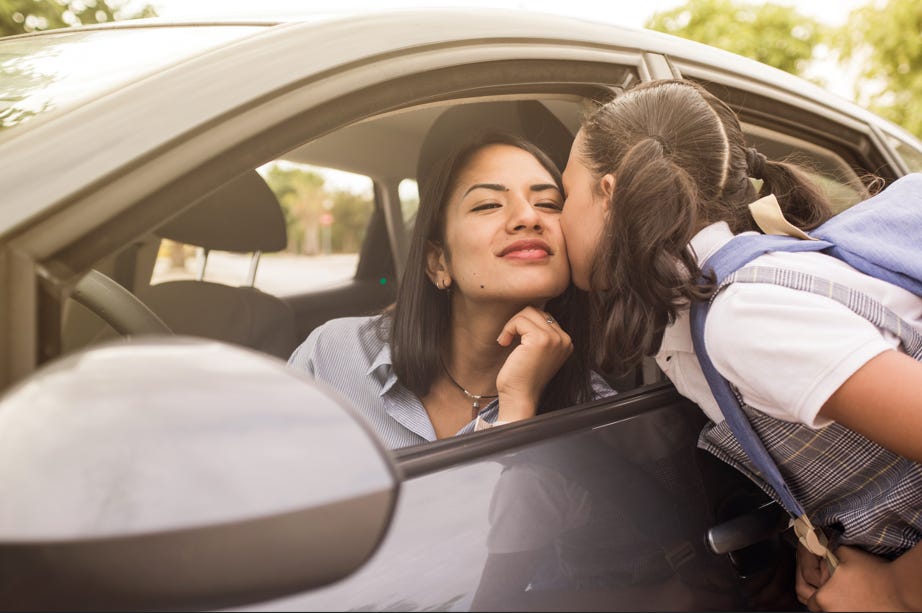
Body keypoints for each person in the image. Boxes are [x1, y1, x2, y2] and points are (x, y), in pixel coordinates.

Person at [557, 78, 922, 611]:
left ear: (609, 196)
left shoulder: (744, 319)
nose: (555, 217)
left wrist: (898, 590)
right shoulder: (716, 305)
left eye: (565, 194)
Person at [289, 130, 611, 449]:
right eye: (488, 205)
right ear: (438, 262)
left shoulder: (600, 413)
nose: (528, 216)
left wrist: (518, 406)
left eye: (548, 203)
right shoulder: (332, 356)